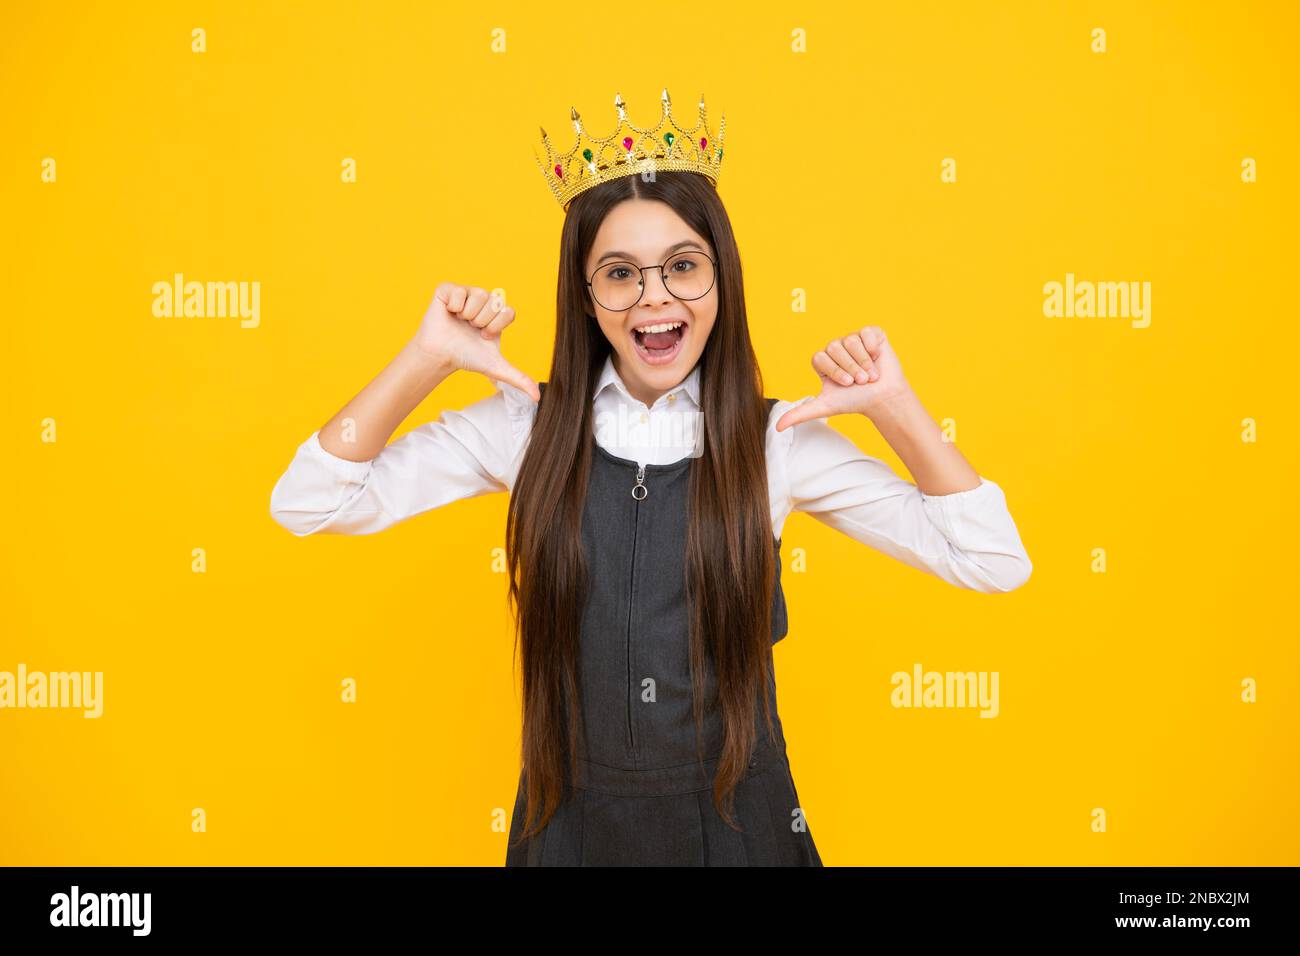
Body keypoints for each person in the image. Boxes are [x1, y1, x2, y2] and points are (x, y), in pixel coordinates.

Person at [269, 90, 1032, 866]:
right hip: (570, 832)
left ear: (720, 278)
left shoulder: (779, 441)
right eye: (620, 273)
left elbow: (994, 559)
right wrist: (425, 357)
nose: (655, 296)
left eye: (682, 267)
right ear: (587, 296)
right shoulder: (527, 426)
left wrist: (895, 408)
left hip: (744, 833)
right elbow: (309, 500)